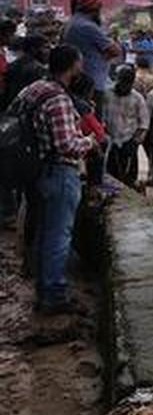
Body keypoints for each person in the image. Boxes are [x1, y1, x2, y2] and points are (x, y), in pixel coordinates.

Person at [13, 45, 98, 313]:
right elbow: (67, 146)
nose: (81, 66)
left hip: (34, 170)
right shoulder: (59, 99)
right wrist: (89, 141)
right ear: (72, 66)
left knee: (43, 232)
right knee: (59, 234)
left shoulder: (33, 89)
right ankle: (54, 294)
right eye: (80, 62)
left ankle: (44, 288)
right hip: (58, 171)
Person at [62, 0, 121, 119]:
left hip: (78, 80)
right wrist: (105, 52)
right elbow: (115, 51)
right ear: (93, 10)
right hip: (92, 84)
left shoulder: (71, 23)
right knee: (93, 121)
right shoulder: (88, 27)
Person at [104, 65, 149, 188]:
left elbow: (144, 122)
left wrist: (136, 141)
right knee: (111, 174)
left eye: (127, 84)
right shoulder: (106, 94)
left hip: (128, 141)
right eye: (122, 83)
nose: (124, 87)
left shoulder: (137, 98)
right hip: (110, 141)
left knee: (129, 177)